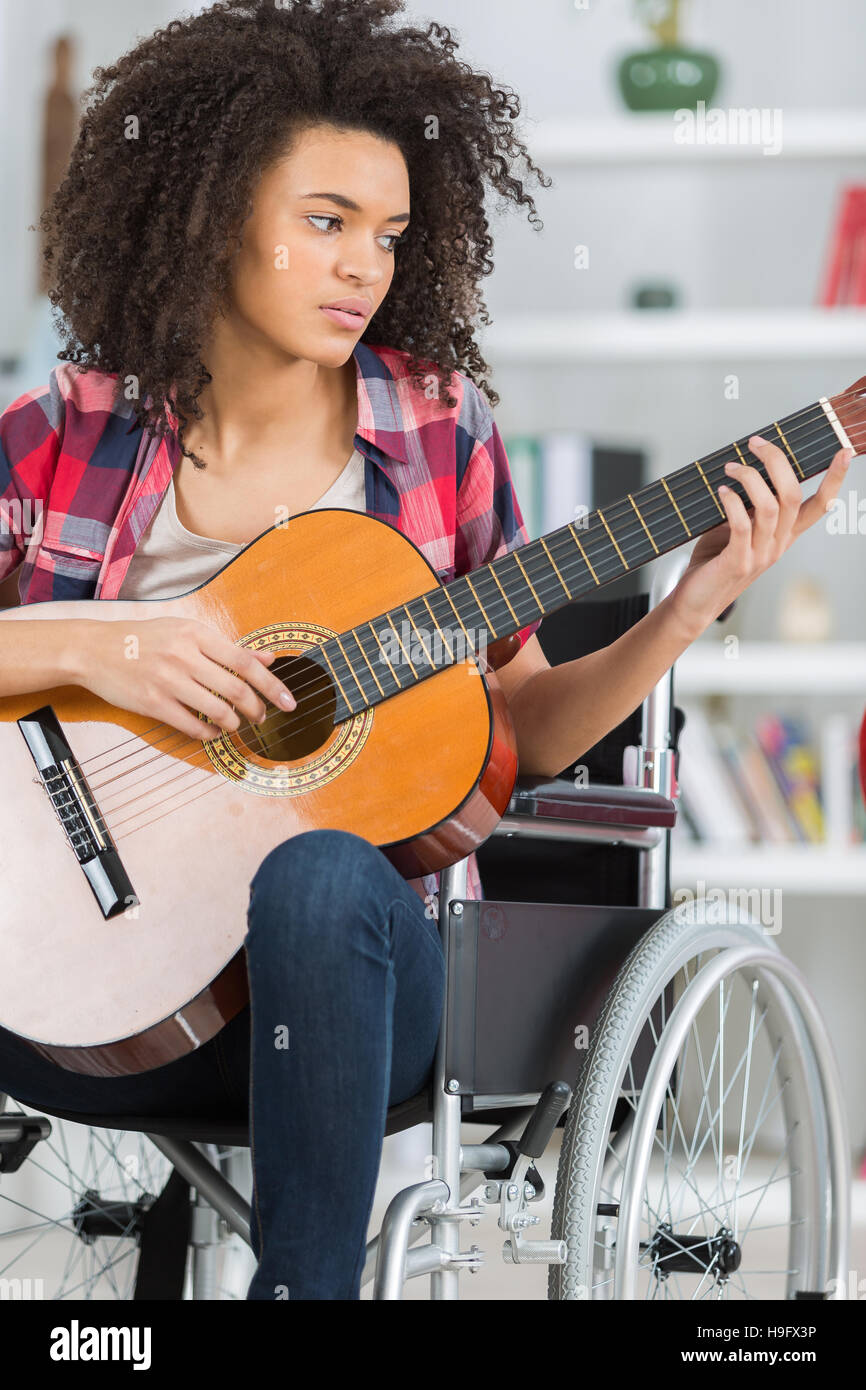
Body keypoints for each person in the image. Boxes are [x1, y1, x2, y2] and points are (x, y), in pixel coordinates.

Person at [0, 0, 851, 1301]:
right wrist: (102, 643)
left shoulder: (437, 431)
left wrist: (681, 607)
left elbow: (516, 723)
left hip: (343, 994)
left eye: (389, 235)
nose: (364, 268)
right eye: (325, 221)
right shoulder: (65, 429)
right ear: (210, 206)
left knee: (323, 874)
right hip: (69, 983)